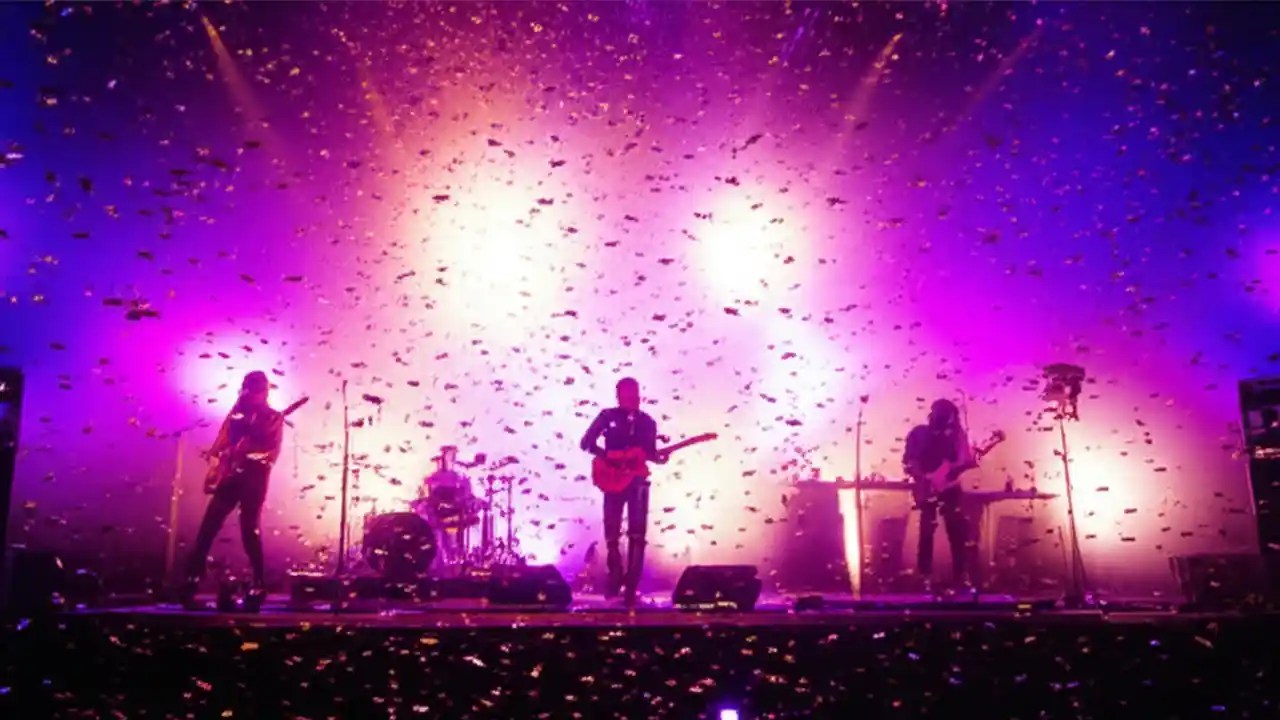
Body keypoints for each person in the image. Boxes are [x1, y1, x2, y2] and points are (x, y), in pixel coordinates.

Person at [181, 371, 283, 608]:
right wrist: (215, 465)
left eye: (256, 389)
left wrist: (249, 451)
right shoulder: (237, 415)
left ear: (264, 391)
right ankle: (190, 583)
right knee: (207, 529)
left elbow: (270, 453)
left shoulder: (272, 418)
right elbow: (220, 445)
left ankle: (258, 584)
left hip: (253, 480)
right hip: (230, 478)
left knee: (250, 531)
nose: (252, 394)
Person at [580, 377, 667, 605]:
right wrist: (607, 458)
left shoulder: (648, 422)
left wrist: (659, 458)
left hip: (637, 480)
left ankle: (631, 585)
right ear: (618, 396)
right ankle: (615, 575)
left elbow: (649, 453)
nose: (631, 398)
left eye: (634, 394)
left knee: (638, 535)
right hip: (612, 479)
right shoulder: (607, 417)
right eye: (626, 394)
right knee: (612, 532)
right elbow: (586, 443)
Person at [903, 398, 974, 595]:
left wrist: (960, 467)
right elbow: (910, 461)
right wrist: (924, 479)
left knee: (956, 532)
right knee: (927, 532)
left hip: (950, 488)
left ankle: (961, 575)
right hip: (927, 486)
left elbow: (963, 461)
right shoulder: (919, 434)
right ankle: (925, 575)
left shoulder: (957, 436)